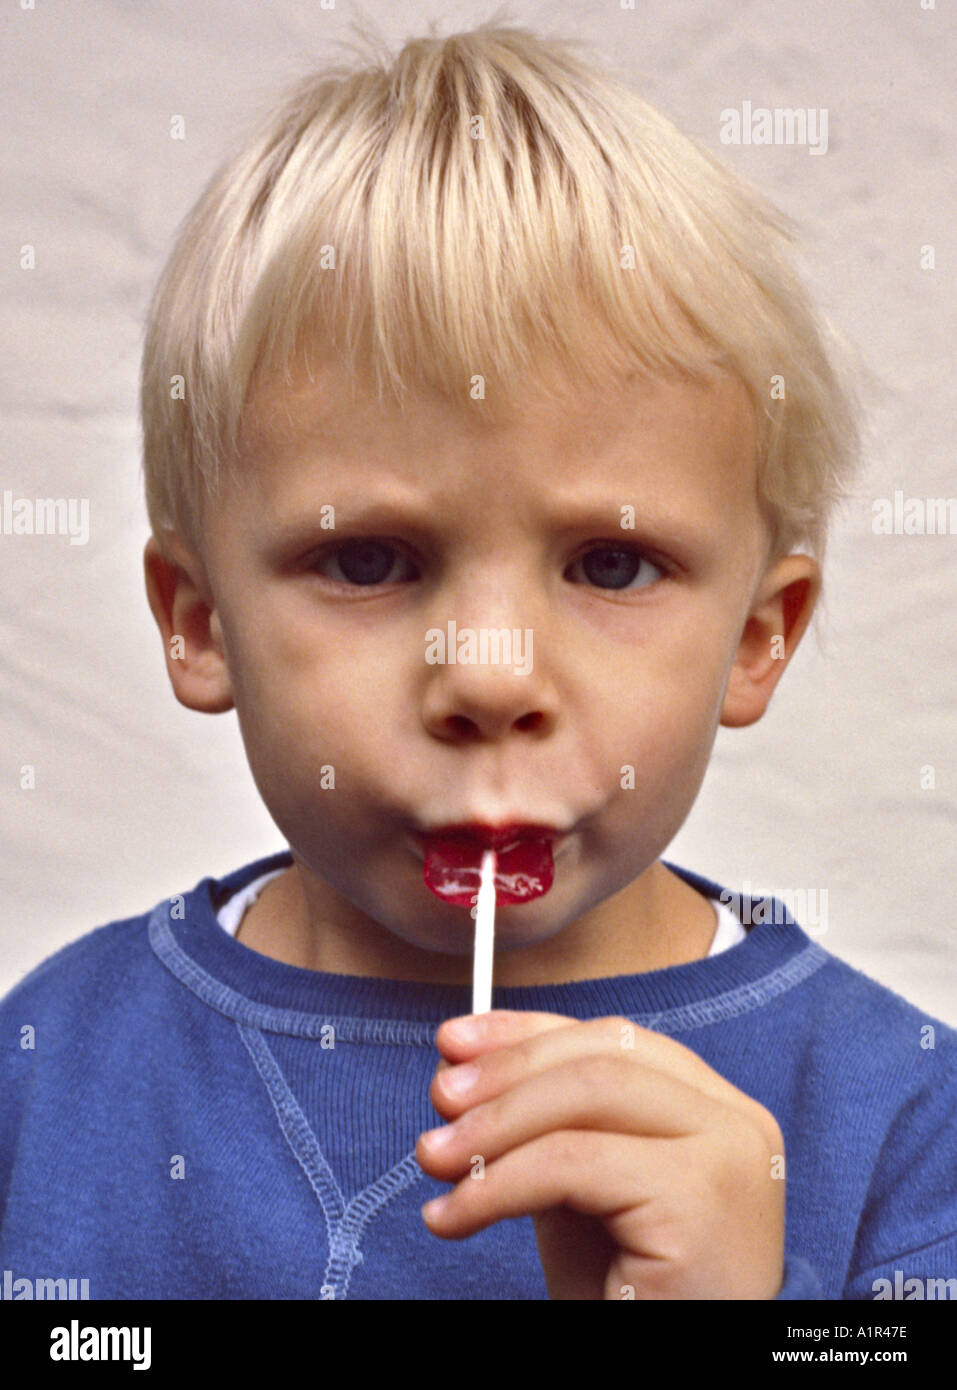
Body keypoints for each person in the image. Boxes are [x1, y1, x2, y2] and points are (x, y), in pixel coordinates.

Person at [2, 22, 954, 1301]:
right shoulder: (44, 1073)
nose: (493, 675)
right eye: (370, 561)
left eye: (611, 567)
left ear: (756, 638)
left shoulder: (907, 1136)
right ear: (200, 620)